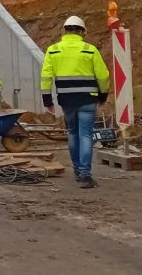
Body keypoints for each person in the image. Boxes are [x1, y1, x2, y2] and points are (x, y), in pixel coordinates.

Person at [41, 15, 111, 188]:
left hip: (67, 100)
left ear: (64, 31)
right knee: (86, 134)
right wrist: (103, 96)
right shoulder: (90, 50)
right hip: (88, 99)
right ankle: (86, 175)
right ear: (82, 31)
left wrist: (47, 99)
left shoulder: (53, 50)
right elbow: (103, 76)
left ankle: (78, 171)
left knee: (73, 133)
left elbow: (45, 77)